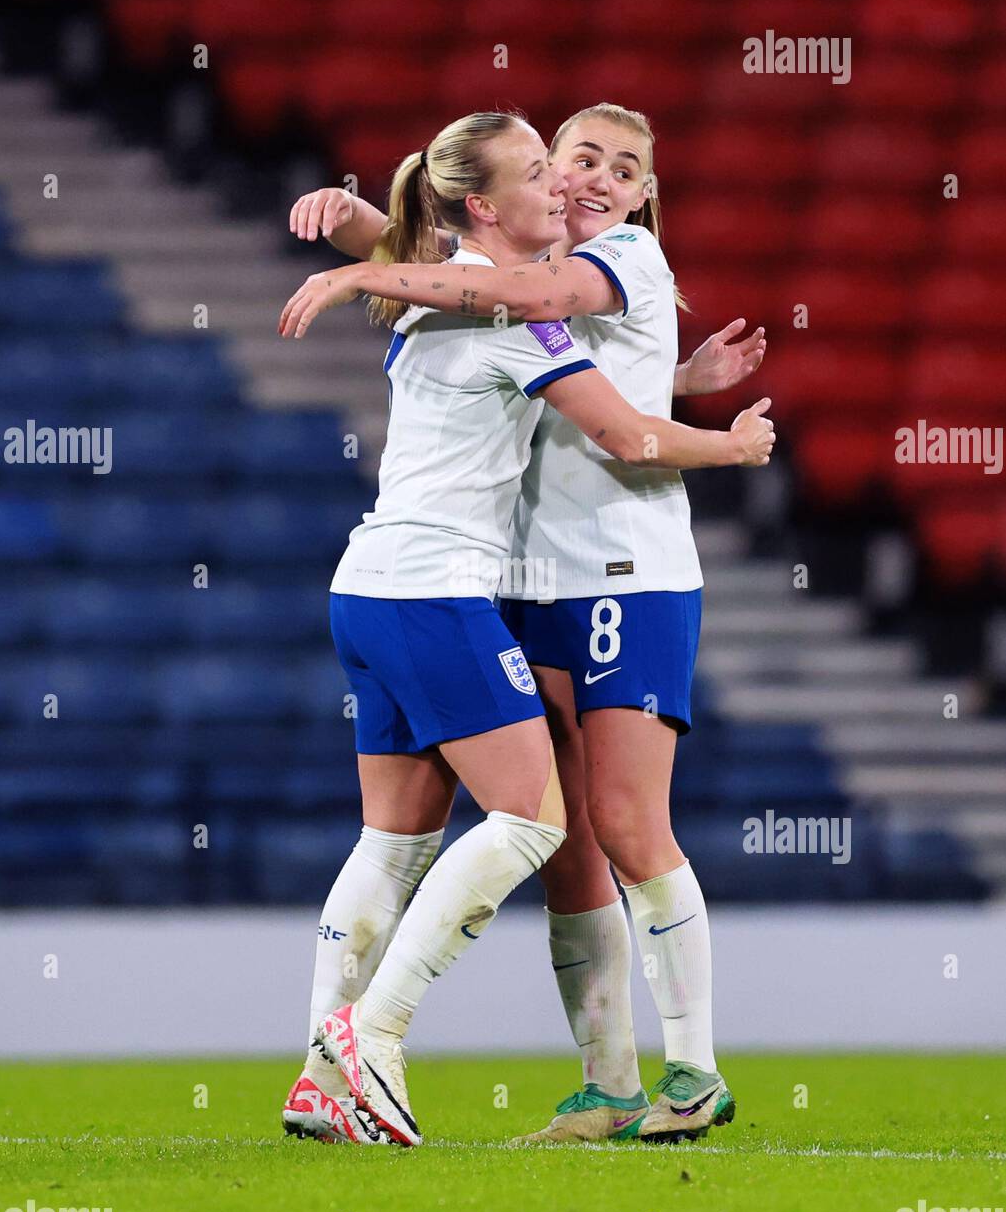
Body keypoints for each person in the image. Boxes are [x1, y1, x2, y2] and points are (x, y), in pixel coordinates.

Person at [280, 108, 774, 1146]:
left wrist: (355, 239)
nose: (571, 183)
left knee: (424, 839)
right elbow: (612, 415)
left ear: (644, 197)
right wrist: (729, 445)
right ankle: (387, 1042)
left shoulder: (529, 274)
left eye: (603, 168)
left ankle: (329, 1064)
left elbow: (434, 259)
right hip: (457, 584)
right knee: (544, 827)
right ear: (487, 200)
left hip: (406, 581)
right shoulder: (515, 309)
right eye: (555, 165)